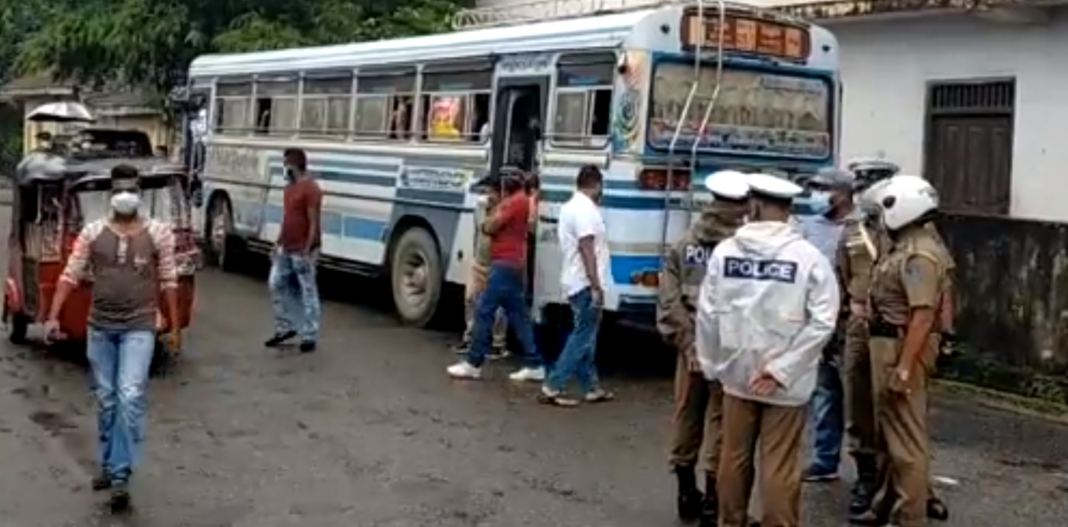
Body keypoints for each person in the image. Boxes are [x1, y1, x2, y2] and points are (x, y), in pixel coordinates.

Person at [695, 173, 839, 527]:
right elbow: (823, 321)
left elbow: (708, 314)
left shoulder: (725, 253)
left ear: (754, 206)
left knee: (734, 458)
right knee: (780, 465)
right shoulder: (809, 259)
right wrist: (781, 370)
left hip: (737, 375)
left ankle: (731, 521)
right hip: (786, 385)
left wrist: (712, 365)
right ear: (789, 210)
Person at [44, 164, 180, 512]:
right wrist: (53, 315)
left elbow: (169, 281)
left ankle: (120, 476)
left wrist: (175, 328)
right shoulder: (92, 233)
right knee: (107, 400)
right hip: (101, 328)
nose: (125, 194)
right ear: (111, 194)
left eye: (130, 188)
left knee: (130, 397)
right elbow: (70, 275)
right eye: (119, 188)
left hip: (140, 326)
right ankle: (110, 464)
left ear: (139, 193)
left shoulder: (159, 234)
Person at [658, 170, 749, 525]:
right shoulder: (744, 248)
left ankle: (685, 491)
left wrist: (689, 345)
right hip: (730, 350)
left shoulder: (683, 244)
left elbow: (668, 302)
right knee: (723, 422)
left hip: (690, 347)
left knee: (686, 414)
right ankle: (714, 499)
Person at [863, 174, 953, 527]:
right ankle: (886, 505)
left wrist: (903, 368)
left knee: (906, 441)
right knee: (889, 433)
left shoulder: (919, 255)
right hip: (888, 343)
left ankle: (909, 517)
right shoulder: (906, 246)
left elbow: (922, 316)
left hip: (900, 346)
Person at [447, 169, 545, 381]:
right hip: (512, 264)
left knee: (484, 309)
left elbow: (489, 226)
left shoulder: (514, 202)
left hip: (505, 264)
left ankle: (473, 363)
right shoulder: (520, 200)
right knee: (519, 316)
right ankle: (534, 362)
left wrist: (493, 214)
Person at [794, 167, 859, 482]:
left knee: (856, 398)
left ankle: (867, 467)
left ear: (845, 193)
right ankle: (825, 459)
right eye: (814, 187)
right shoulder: (809, 227)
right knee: (824, 393)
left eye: (824, 188)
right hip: (818, 321)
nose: (816, 194)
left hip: (849, 321)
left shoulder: (861, 228)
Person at [539, 165, 613, 406]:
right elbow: (587, 249)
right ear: (597, 185)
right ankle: (553, 385)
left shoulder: (571, 206)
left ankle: (591, 387)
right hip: (584, 282)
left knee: (586, 335)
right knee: (581, 337)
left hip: (574, 280)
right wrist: (596, 285)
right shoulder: (585, 210)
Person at [264, 148, 323, 353]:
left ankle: (309, 334)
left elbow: (313, 221)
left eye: (286, 163)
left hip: (302, 249)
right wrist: (277, 243)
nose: (284, 168)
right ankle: (285, 326)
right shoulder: (289, 189)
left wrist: (309, 248)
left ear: (295, 165)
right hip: (286, 246)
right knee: (276, 283)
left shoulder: (311, 189)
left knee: (307, 290)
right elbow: (287, 218)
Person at [451, 176, 509, 359]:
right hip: (479, 261)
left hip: (497, 264)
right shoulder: (480, 207)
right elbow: (478, 231)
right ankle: (470, 338)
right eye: (486, 192)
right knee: (470, 299)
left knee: (497, 307)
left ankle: (497, 343)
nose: (488, 196)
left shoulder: (506, 210)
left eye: (491, 192)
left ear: (500, 193)